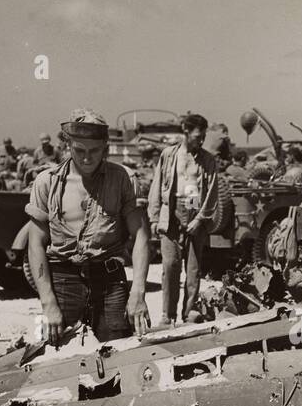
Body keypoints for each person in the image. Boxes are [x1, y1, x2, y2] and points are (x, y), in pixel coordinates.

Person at [25, 109, 151, 344]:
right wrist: (48, 303)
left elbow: (142, 236)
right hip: (63, 280)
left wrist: (138, 293)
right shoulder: (47, 182)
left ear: (105, 147)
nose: (86, 158)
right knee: (57, 356)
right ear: (67, 146)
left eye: (94, 151)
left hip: (110, 280)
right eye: (79, 151)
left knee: (118, 353)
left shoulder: (124, 179)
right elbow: (36, 244)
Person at [148, 112, 219, 326]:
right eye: (198, 136)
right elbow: (157, 184)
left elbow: (212, 191)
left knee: (193, 269)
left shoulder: (208, 160)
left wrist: (200, 219)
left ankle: (189, 312)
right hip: (172, 213)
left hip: (195, 213)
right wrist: (154, 217)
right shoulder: (169, 155)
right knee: (170, 265)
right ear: (185, 132)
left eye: (204, 136)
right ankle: (167, 315)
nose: (201, 140)